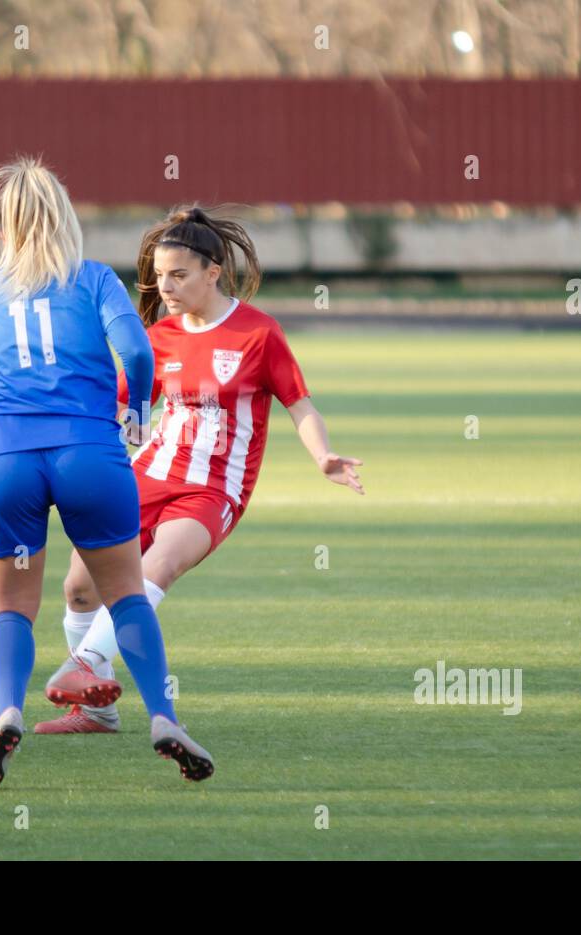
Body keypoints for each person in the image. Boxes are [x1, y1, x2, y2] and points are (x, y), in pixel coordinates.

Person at [0, 159, 214, 786]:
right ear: (66, 221)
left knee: (11, 609)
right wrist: (139, 413)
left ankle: (7, 711)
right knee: (127, 596)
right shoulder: (93, 282)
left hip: (5, 463)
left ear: (3, 231)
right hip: (90, 456)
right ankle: (163, 717)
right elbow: (139, 350)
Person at [36, 206, 364, 734]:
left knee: (159, 564)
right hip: (146, 475)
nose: (164, 286)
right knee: (78, 587)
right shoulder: (158, 337)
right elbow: (120, 410)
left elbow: (299, 403)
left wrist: (322, 455)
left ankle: (88, 665)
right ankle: (96, 710)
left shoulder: (258, 334)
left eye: (178, 275)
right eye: (159, 276)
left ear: (213, 272)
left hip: (213, 488)